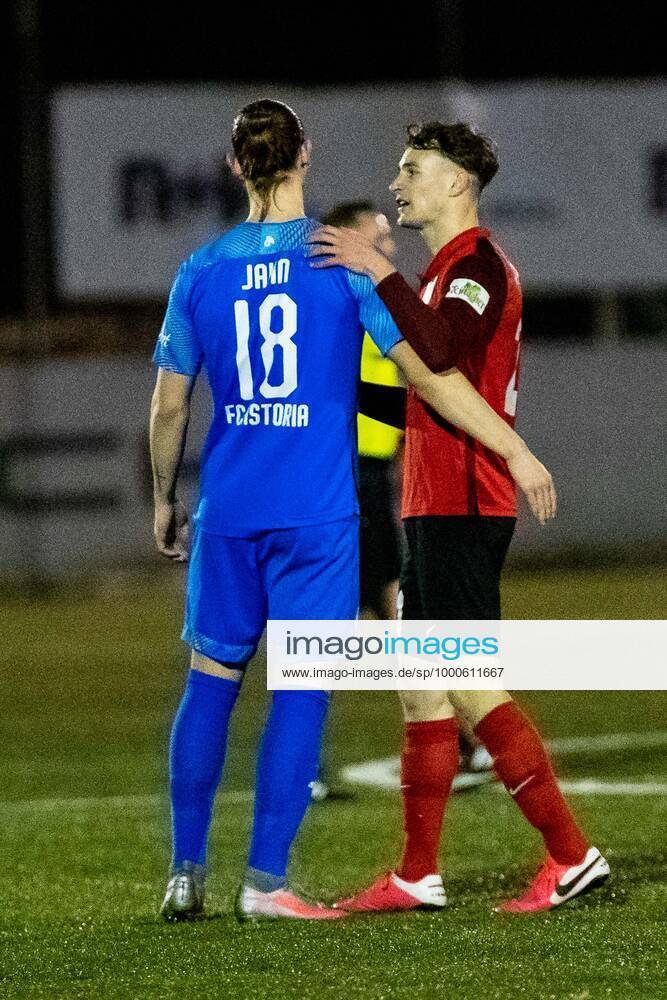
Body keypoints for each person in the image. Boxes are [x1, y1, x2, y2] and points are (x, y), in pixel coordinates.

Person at [151, 101, 555, 922]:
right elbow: (432, 376)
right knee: (302, 692)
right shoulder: (342, 262)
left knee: (210, 682)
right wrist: (513, 448)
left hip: (228, 511)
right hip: (318, 520)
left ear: (235, 167)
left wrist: (164, 495)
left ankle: (184, 872)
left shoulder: (200, 268)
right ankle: (265, 885)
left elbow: (167, 407)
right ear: (305, 155)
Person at [309, 121, 609, 914]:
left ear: (455, 184)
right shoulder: (443, 270)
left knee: (469, 684)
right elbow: (419, 392)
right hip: (432, 500)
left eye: (412, 169)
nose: (397, 182)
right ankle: (416, 872)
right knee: (420, 687)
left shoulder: (473, 268)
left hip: (464, 502)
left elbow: (440, 351)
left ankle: (572, 857)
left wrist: (377, 273)